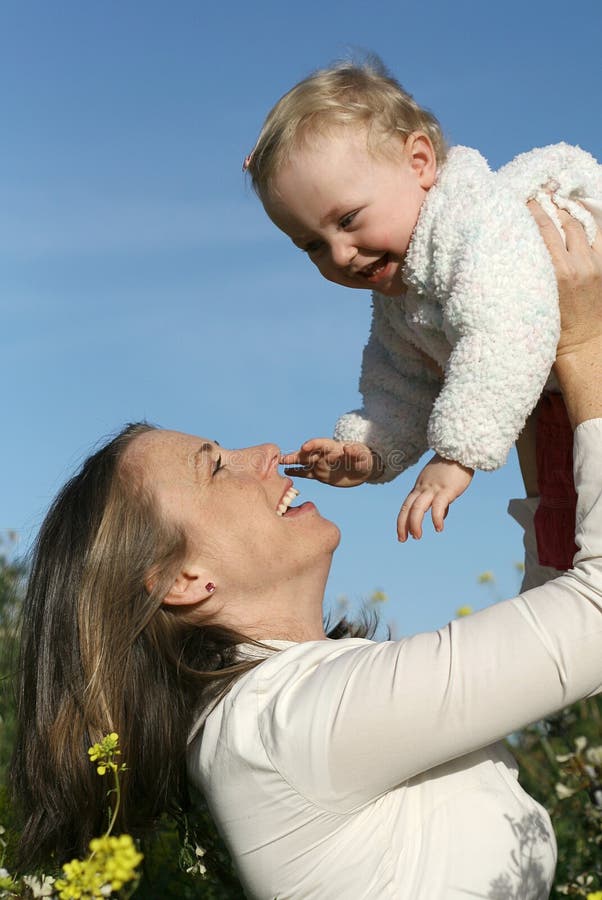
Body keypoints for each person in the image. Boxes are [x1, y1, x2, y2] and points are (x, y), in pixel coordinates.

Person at [11, 208, 602, 899]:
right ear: (183, 579)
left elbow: (560, 612)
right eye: (215, 467)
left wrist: (529, 397)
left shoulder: (281, 712)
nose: (265, 453)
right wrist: (585, 344)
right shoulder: (282, 725)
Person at [244, 59, 602, 572]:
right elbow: (402, 385)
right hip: (568, 406)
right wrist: (369, 451)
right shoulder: (402, 294)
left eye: (348, 219)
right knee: (566, 553)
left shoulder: (476, 222)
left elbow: (507, 332)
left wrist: (456, 455)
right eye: (312, 246)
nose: (340, 254)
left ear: (419, 163)